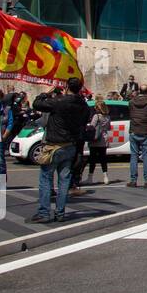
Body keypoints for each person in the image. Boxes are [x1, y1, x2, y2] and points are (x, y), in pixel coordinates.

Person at [30, 78, 89, 223]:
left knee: (46, 178)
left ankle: (44, 212)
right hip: (70, 144)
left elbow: (37, 104)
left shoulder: (60, 101)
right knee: (64, 180)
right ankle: (60, 212)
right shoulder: (83, 104)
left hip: (54, 144)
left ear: (67, 87)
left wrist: (46, 93)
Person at [126, 84, 147, 187]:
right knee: (146, 156)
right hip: (145, 130)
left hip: (134, 130)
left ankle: (133, 180)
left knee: (134, 156)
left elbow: (130, 113)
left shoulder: (131, 102)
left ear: (139, 91)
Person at [86, 96, 111, 185]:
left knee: (92, 159)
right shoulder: (107, 117)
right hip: (104, 139)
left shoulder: (96, 116)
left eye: (95, 107)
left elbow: (92, 127)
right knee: (103, 158)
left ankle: (90, 178)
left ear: (98, 108)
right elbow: (108, 127)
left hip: (95, 139)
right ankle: (106, 177)